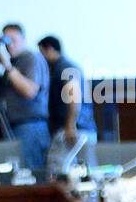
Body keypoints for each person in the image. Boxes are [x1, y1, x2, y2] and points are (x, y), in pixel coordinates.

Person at [0, 23, 50, 170]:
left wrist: (7, 65)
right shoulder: (14, 62)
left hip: (31, 126)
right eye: (6, 41)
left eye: (14, 40)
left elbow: (29, 91)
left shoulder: (31, 58)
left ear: (24, 40)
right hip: (15, 125)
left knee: (29, 172)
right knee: (17, 171)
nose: (10, 45)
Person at [38, 36, 97, 170]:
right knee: (85, 174)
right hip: (84, 129)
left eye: (41, 52)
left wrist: (70, 126)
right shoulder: (72, 66)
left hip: (72, 132)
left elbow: (73, 94)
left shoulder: (64, 67)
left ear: (50, 49)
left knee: (58, 174)